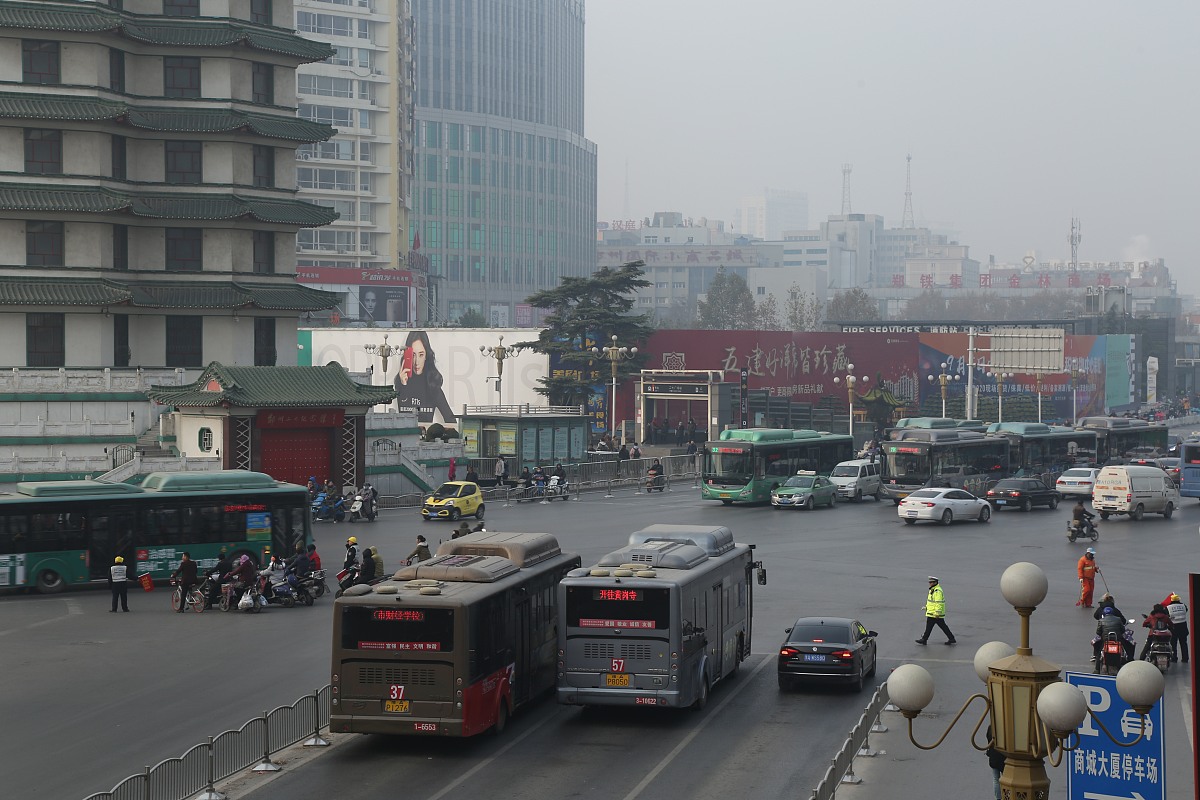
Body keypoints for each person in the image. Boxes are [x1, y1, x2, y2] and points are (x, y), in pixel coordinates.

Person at [394, 330, 456, 425]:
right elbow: (403, 414)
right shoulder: (401, 383)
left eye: (421, 355)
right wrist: (404, 385)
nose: (416, 362)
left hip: (425, 434)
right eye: (413, 355)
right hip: (407, 433)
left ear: (426, 355)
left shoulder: (432, 384)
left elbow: (451, 420)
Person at [915, 576, 956, 645]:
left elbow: (938, 602)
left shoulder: (937, 591)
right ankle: (951, 638)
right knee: (941, 626)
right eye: (929, 582)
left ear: (935, 582)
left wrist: (937, 612)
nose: (930, 583)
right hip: (933, 613)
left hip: (935, 614)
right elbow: (931, 602)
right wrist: (926, 607)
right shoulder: (933, 590)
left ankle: (924, 639)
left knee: (930, 627)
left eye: (931, 582)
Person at [1163, 592, 1189, 662]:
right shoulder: (1183, 606)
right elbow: (1186, 610)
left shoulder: (1168, 607)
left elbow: (1166, 615)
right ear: (1178, 600)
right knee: (1184, 644)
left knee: (1173, 644)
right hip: (1183, 627)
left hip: (1173, 627)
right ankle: (1185, 658)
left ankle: (1174, 658)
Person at [985, 724, 1005, 800]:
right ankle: (1006, 796)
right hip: (1004, 756)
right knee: (1006, 779)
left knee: (996, 779)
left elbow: (988, 739)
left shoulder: (991, 727)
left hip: (994, 756)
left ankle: (998, 798)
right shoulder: (1006, 727)